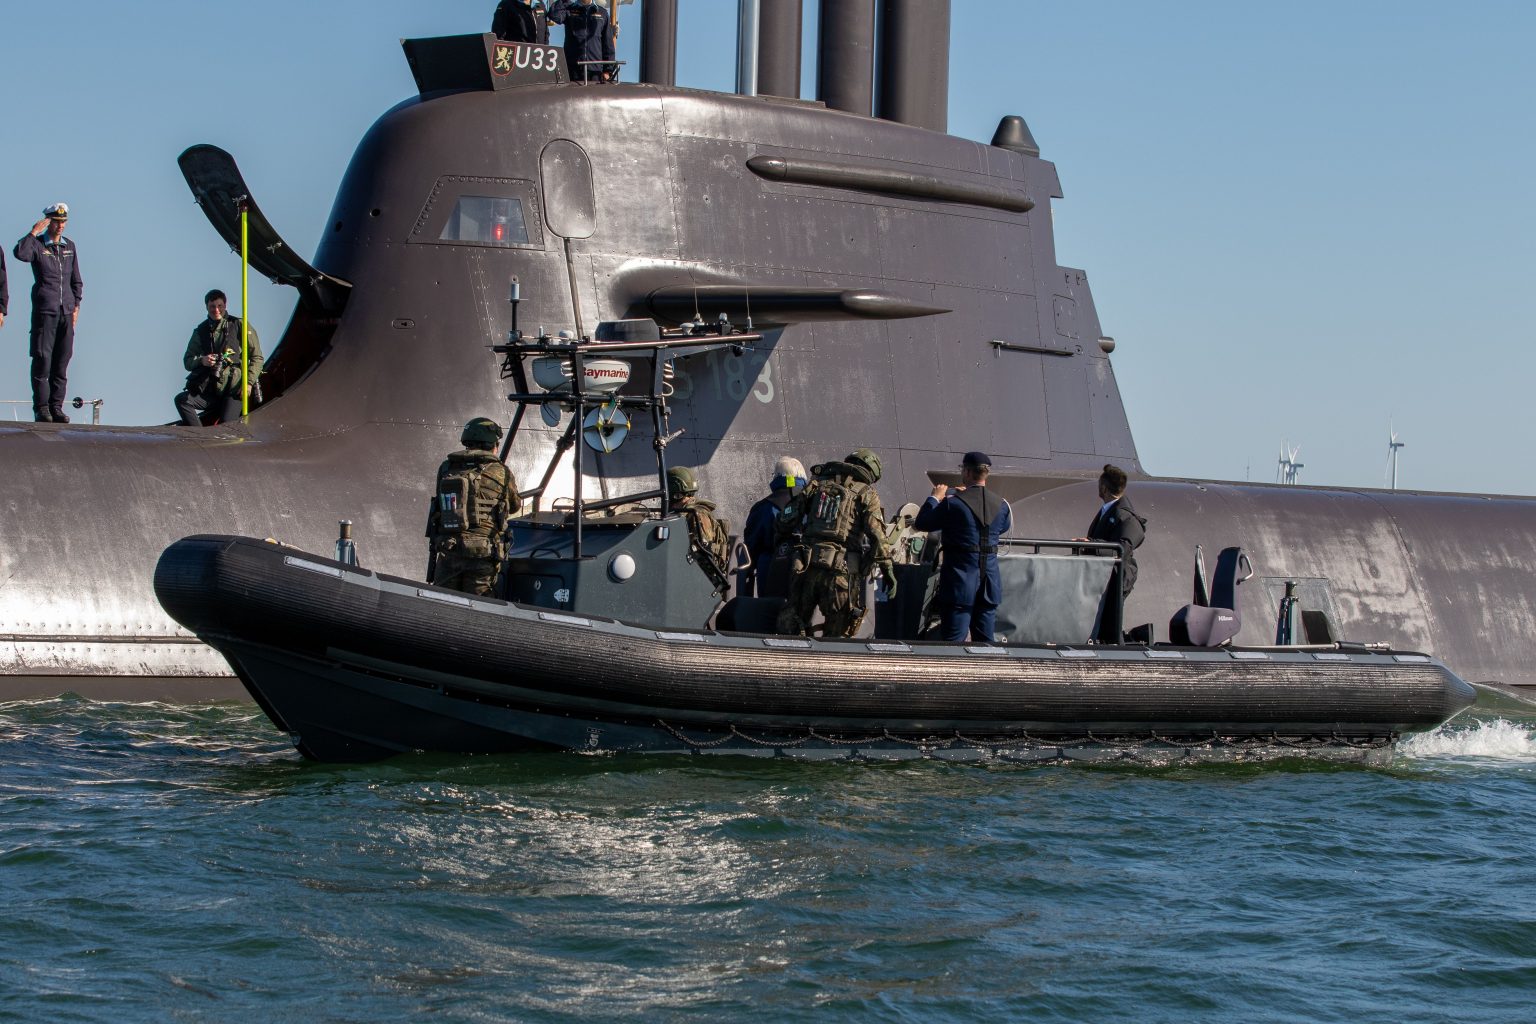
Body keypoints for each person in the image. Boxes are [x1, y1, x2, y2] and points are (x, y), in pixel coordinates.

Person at [775, 449, 897, 638]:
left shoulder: (817, 484)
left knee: (791, 629)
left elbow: (786, 520)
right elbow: (877, 535)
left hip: (806, 568)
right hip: (840, 574)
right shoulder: (866, 493)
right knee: (837, 636)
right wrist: (887, 567)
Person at [913, 451, 1013, 643]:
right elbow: (1002, 527)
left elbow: (923, 523)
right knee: (985, 642)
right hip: (989, 585)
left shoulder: (953, 504)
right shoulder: (1002, 505)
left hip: (959, 584)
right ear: (986, 474)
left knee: (954, 642)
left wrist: (935, 498)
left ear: (967, 472)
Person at [426, 417, 521, 595]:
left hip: (449, 549)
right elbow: (514, 506)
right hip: (482, 552)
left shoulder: (447, 467)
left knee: (443, 601)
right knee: (480, 605)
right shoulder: (501, 471)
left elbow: (441, 501)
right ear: (494, 444)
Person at [14, 203, 83, 422]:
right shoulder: (36, 245)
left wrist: (76, 306)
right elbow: (20, 254)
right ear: (48, 221)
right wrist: (33, 232)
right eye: (56, 221)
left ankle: (56, 407)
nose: (61, 225)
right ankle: (42, 408)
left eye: (63, 221)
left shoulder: (69, 247)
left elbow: (76, 280)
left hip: (66, 312)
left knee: (61, 362)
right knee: (43, 359)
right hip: (46, 312)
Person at [175, 290, 263, 426]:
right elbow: (187, 361)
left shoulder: (238, 324)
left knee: (226, 424)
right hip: (211, 390)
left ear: (225, 305)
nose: (216, 310)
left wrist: (248, 383)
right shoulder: (200, 331)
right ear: (206, 307)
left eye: (220, 306)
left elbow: (257, 357)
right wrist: (202, 360)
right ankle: (200, 436)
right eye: (212, 306)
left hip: (234, 390)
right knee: (182, 399)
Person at [741, 456, 807, 596]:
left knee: (769, 615)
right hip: (807, 573)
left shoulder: (763, 508)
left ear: (776, 478)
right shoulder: (813, 504)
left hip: (772, 575)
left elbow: (750, 548)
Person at [1080, 463, 1147, 597]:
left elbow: (1122, 548)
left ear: (1104, 488)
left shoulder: (1128, 518)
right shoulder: (1109, 511)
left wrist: (1091, 544)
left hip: (1113, 583)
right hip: (1100, 579)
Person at [667, 466, 732, 591]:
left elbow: (705, 553)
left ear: (676, 493)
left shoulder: (697, 514)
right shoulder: (683, 513)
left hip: (707, 579)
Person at [548, 0, 617, 82]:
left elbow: (608, 44)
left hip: (595, 71)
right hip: (573, 70)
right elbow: (554, 16)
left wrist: (607, 70)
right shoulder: (569, 9)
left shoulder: (602, 13)